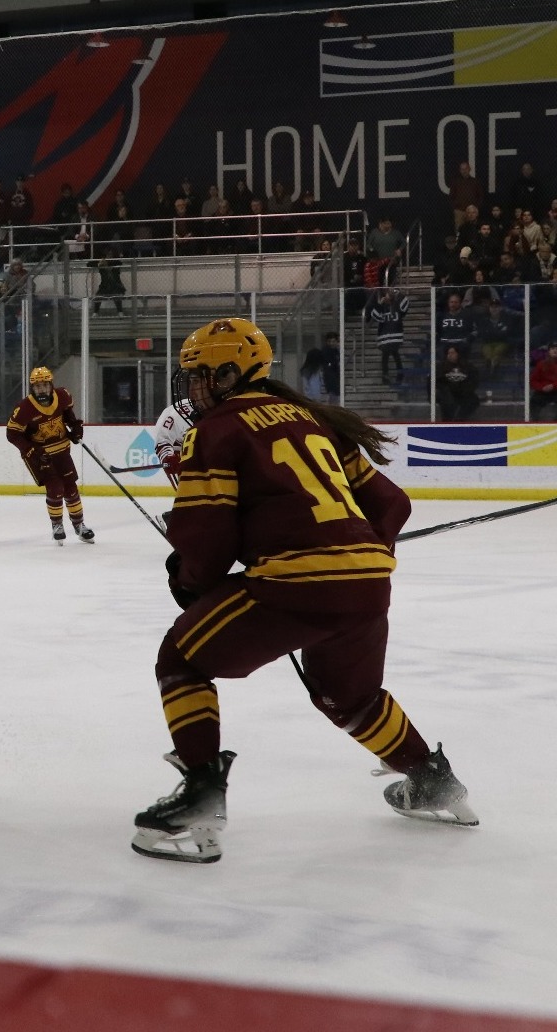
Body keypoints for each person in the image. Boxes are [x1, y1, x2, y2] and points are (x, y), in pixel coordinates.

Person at [132, 317, 474, 865]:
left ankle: (200, 792)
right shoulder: (316, 421)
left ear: (228, 374)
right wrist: (362, 552)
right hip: (368, 582)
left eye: (199, 376)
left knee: (181, 658)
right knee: (351, 698)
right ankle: (432, 781)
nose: (191, 388)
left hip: (294, 584)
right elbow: (393, 505)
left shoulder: (214, 432)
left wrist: (188, 578)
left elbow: (208, 540)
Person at [6, 366, 93, 544]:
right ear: (32, 388)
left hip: (61, 449)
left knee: (70, 487)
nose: (42, 389)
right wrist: (32, 451)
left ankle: (79, 525)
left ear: (51, 385)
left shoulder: (62, 396)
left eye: (45, 385)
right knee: (55, 487)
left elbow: (68, 416)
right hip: (41, 455)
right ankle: (57, 525)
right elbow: (12, 434)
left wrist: (76, 428)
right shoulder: (24, 408)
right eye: (38, 386)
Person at [149, 400, 196, 489]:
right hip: (180, 447)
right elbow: (163, 440)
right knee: (188, 491)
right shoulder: (178, 414)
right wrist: (168, 458)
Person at [436, 346, 480, 421]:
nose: (450, 355)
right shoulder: (441, 366)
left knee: (474, 400)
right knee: (446, 400)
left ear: (458, 354)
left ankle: (460, 419)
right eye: (448, 353)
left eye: (452, 353)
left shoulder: (467, 366)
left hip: (463, 392)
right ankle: (447, 422)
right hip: (447, 393)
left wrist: (464, 390)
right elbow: (438, 381)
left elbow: (474, 380)